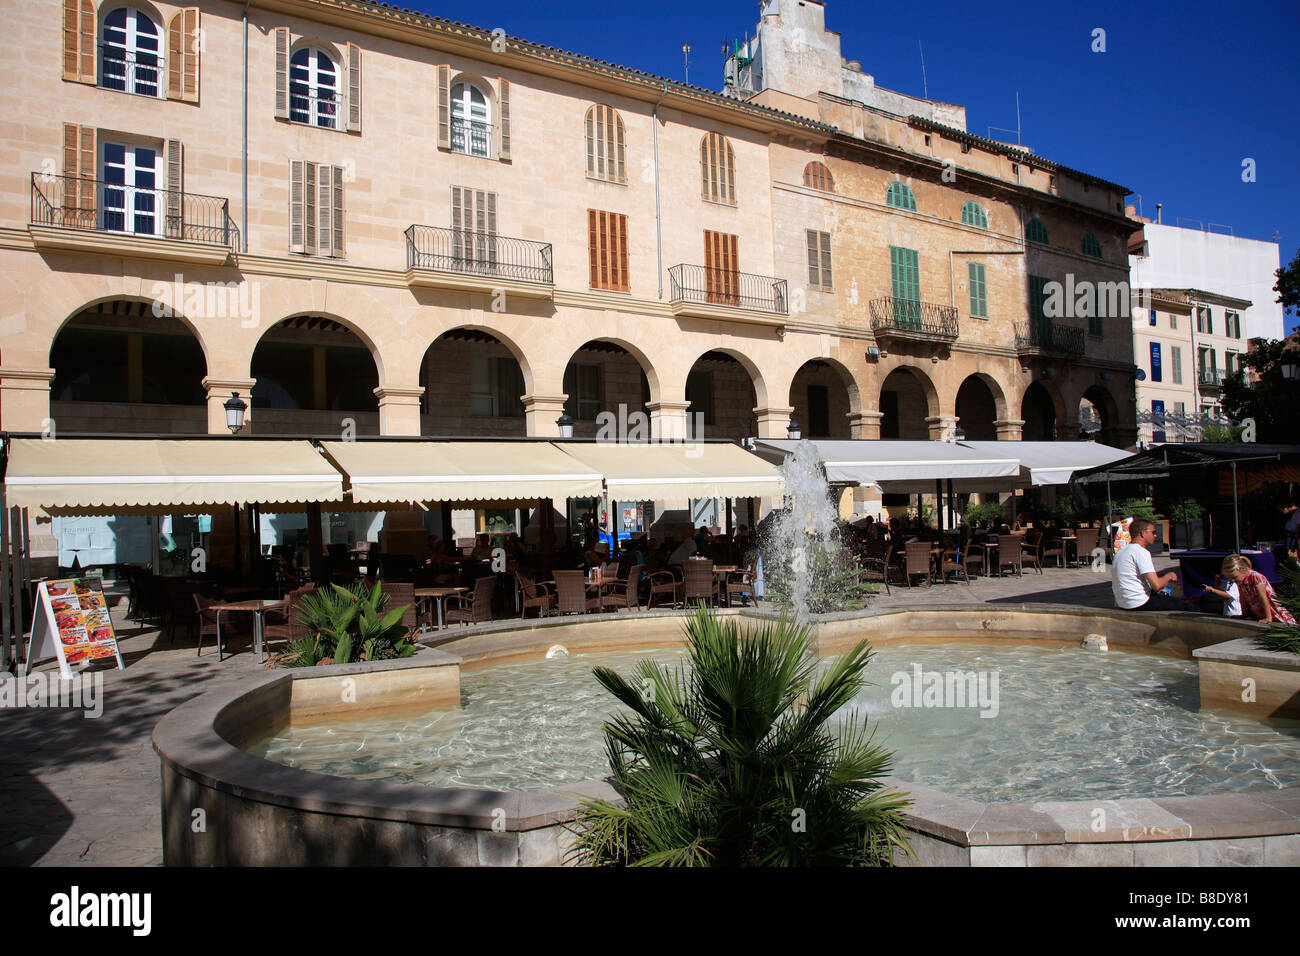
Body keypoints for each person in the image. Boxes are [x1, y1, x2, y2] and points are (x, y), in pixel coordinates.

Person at [1112, 517, 1186, 611]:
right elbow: (1157, 585)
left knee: (1169, 598)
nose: (1155, 535)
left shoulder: (1121, 552)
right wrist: (1171, 576)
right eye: (1153, 532)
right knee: (1187, 606)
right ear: (1143, 533)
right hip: (1139, 603)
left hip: (1123, 603)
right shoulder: (1140, 552)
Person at [1222, 554, 1297, 627]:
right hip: (1259, 614)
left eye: (1234, 577)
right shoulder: (1240, 581)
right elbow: (1242, 597)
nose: (1233, 580)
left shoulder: (1256, 577)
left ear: (1242, 569)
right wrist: (1244, 614)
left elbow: (1263, 598)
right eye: (1230, 578)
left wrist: (1268, 618)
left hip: (1273, 613)